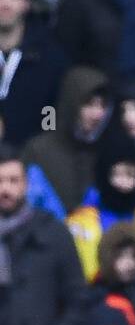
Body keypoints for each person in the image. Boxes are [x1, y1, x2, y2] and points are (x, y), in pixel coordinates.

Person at [0, 143, 82, 325]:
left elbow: (77, 299)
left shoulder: (53, 233)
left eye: (13, 181)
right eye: (0, 181)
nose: (5, 189)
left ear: (26, 184)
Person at [20, 66, 113, 217]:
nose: (98, 114)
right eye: (89, 104)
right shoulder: (39, 151)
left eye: (103, 105)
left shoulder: (111, 151)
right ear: (71, 104)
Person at [65, 130, 135, 281]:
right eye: (117, 174)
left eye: (129, 175)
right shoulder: (81, 220)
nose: (123, 183)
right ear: (105, 175)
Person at [0, 0, 66, 149]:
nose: (5, 4)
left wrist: (45, 142)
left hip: (30, 156)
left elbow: (51, 109)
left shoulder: (49, 56)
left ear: (25, 3)